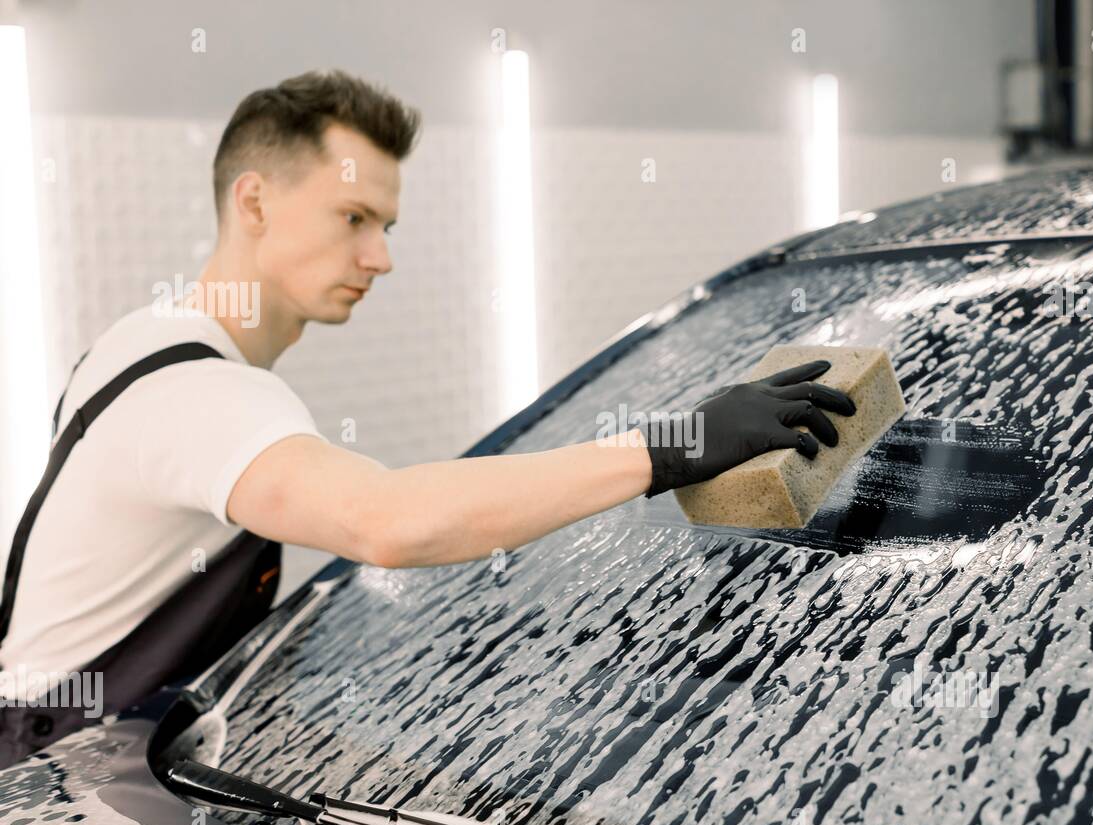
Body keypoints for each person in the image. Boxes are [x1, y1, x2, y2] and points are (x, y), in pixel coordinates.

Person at [0, 69, 854, 769]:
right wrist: (681, 444)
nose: (381, 256)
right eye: (354, 219)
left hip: (94, 743)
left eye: (387, 224)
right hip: (55, 773)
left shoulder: (142, 342)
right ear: (254, 202)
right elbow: (388, 522)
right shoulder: (198, 390)